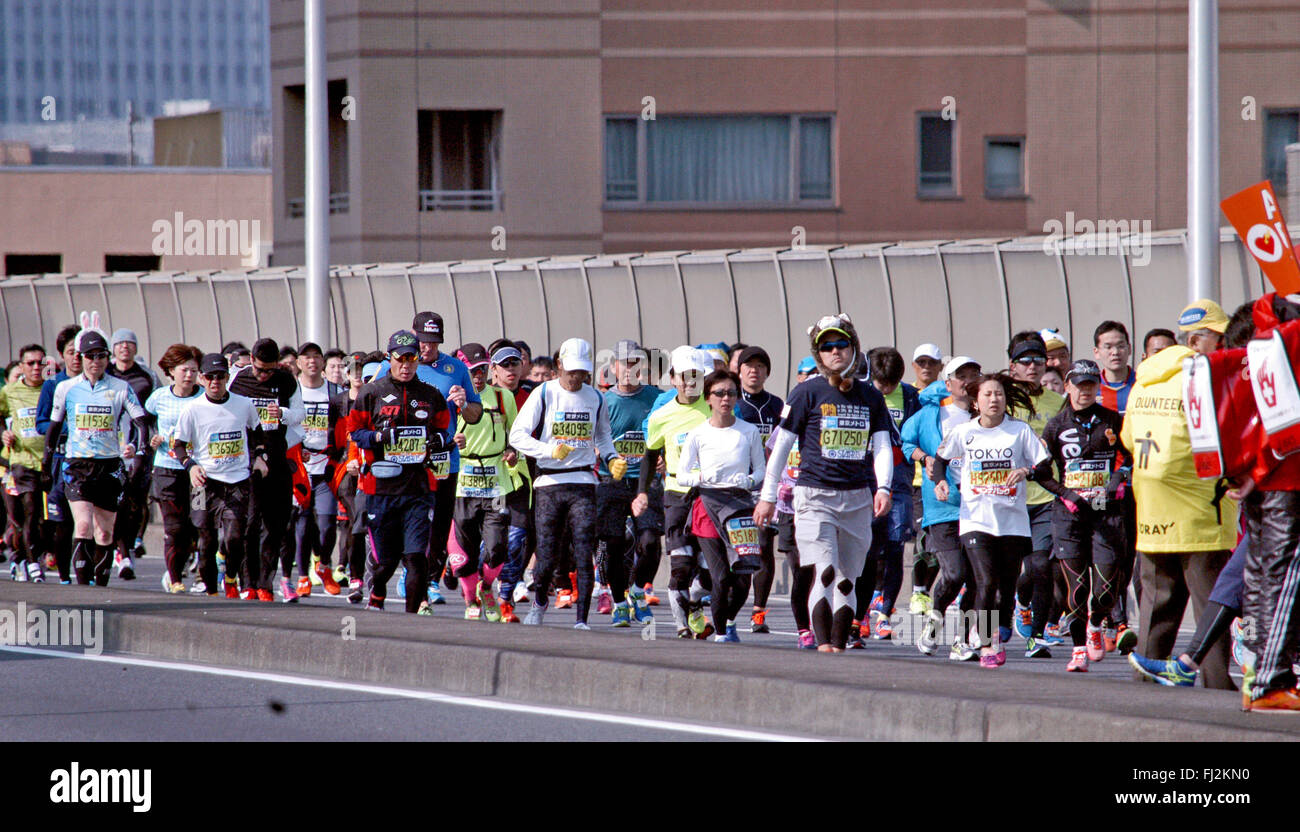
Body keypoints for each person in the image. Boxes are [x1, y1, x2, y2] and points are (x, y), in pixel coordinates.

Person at [755, 313, 894, 652]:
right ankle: (822, 643)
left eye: (841, 345)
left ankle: (838, 641)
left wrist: (884, 487)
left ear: (854, 348)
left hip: (858, 496)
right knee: (825, 568)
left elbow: (882, 446)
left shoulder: (871, 398)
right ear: (818, 354)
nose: (835, 352)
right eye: (826, 347)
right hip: (814, 494)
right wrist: (768, 496)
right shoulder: (806, 392)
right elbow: (781, 446)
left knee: (848, 575)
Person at [1121, 335, 1235, 689]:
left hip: (1152, 506)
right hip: (1198, 508)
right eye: (1221, 337)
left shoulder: (1142, 383)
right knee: (1211, 604)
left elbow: (1127, 438)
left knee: (1157, 603)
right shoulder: (1202, 378)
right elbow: (1220, 438)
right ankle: (1216, 682)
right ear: (1200, 340)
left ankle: (1144, 679)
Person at [933, 373, 1048, 668]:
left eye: (998, 394)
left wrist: (1026, 472)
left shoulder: (1019, 431)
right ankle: (986, 643)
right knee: (986, 581)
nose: (994, 399)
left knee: (1006, 587)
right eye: (987, 395)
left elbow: (1044, 463)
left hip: (1012, 522)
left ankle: (996, 624)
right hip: (976, 520)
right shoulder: (964, 432)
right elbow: (941, 459)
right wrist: (940, 482)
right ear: (976, 402)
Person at [509, 338, 624, 629]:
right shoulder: (544, 393)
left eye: (582, 372)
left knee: (585, 549)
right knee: (547, 554)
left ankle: (581, 618)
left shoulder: (596, 398)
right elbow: (517, 436)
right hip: (549, 482)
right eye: (572, 371)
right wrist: (548, 450)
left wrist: (611, 458)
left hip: (584, 481)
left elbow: (602, 436)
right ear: (559, 366)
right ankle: (539, 603)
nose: (576, 377)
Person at [378, 311, 482, 605]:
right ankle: (409, 573)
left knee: (439, 524)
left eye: (434, 342)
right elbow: (370, 401)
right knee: (407, 520)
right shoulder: (393, 365)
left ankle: (430, 579)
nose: (427, 348)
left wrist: (464, 404)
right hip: (403, 459)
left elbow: (475, 415)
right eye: (423, 341)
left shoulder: (456, 368)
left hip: (443, 457)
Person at [1034, 360, 1131, 670]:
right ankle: (1078, 649)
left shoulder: (1112, 420)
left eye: (1091, 384)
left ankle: (1096, 623)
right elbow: (1040, 472)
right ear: (1068, 387)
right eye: (1079, 384)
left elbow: (1128, 458)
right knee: (1077, 587)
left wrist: (1116, 482)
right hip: (1070, 513)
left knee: (1105, 587)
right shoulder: (1056, 425)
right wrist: (1067, 494)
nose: (1085, 390)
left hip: (1105, 511)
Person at [349, 330, 452, 612]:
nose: (406, 365)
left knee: (416, 557)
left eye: (412, 358)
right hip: (380, 489)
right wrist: (378, 438)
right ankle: (377, 594)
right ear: (390, 358)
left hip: (419, 488)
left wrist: (438, 440)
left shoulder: (430, 394)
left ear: (418, 360)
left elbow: (446, 431)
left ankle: (411, 618)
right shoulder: (372, 393)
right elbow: (355, 432)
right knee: (386, 561)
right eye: (400, 359)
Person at [42, 327, 148, 587]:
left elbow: (142, 423)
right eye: (89, 356)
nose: (95, 362)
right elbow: (53, 428)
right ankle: (82, 589)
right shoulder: (66, 388)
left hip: (109, 466)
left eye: (101, 356)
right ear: (81, 358)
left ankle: (100, 588)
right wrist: (46, 465)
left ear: (107, 358)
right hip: (77, 464)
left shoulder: (121, 388)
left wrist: (139, 453)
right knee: (83, 527)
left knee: (104, 531)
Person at [677, 369, 766, 642]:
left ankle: (728, 620)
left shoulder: (748, 431)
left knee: (743, 576)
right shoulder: (697, 434)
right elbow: (682, 474)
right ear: (708, 399)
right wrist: (700, 477)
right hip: (707, 504)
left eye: (730, 393)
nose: (725, 399)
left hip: (739, 505)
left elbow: (761, 470)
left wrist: (749, 479)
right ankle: (721, 633)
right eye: (719, 393)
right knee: (720, 576)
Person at [902, 356, 981, 657]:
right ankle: (934, 622)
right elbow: (906, 441)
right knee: (956, 572)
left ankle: (966, 640)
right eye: (961, 375)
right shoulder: (931, 414)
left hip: (980, 507)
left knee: (978, 577)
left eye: (974, 373)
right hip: (943, 506)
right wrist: (925, 458)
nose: (969, 380)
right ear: (948, 384)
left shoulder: (986, 415)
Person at [172, 353, 267, 599]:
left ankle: (231, 576)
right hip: (203, 485)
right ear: (201, 379)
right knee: (206, 541)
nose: (215, 382)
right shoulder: (192, 410)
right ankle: (212, 594)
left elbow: (257, 433)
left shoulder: (243, 404)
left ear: (227, 377)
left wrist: (259, 456)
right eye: (210, 377)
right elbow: (179, 445)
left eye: (221, 376)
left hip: (236, 481)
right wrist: (190, 466)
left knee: (235, 537)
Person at [637, 346, 715, 637]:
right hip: (676, 494)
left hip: (710, 495)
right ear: (673, 379)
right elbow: (649, 454)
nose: (689, 382)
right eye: (683, 376)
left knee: (708, 568)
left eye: (695, 376)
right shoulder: (662, 415)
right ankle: (682, 624)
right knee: (681, 565)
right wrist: (642, 492)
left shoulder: (714, 407)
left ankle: (695, 602)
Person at [853, 346, 920, 644]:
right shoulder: (861, 393)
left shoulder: (909, 397)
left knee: (895, 546)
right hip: (865, 478)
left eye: (892, 384)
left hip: (900, 479)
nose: (887, 389)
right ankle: (860, 613)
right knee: (867, 549)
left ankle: (885, 613)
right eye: (882, 384)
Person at [229, 337, 304, 602]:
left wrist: (282, 412)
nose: (263, 376)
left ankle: (265, 583)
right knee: (249, 523)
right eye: (260, 369)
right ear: (251, 360)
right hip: (246, 459)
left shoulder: (286, 381)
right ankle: (246, 581)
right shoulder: (237, 380)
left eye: (269, 370)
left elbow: (300, 415)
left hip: (277, 457)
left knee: (276, 525)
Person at [448, 342, 516, 622]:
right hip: (463, 482)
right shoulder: (450, 398)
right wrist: (453, 442)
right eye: (471, 371)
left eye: (482, 370)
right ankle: (469, 598)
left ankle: (487, 587)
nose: (477, 376)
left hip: (496, 482)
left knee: (498, 545)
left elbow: (516, 433)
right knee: (463, 548)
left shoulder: (502, 398)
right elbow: (437, 435)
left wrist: (513, 451)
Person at [596, 339, 661, 628]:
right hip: (612, 480)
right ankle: (619, 604)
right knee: (614, 544)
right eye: (623, 362)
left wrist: (665, 458)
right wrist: (601, 452)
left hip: (645, 482)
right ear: (613, 367)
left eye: (635, 363)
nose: (629, 368)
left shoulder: (657, 398)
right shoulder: (603, 401)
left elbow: (669, 433)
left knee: (649, 542)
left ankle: (637, 592)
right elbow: (590, 437)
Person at [1006, 334, 1065, 651]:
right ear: (1012, 365)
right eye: (1025, 361)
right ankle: (986, 637)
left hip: (1043, 498)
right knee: (990, 577)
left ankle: (1037, 636)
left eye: (1038, 360)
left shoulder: (1058, 402)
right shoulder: (999, 399)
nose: (1032, 366)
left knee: (1041, 566)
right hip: (1003, 498)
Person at [143, 344, 204, 593]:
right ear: (171, 371)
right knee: (174, 527)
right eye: (184, 370)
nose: (189, 375)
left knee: (197, 525)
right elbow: (143, 422)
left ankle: (193, 570)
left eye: (193, 370)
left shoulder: (204, 397)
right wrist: (153, 436)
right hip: (167, 468)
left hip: (197, 471)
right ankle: (175, 578)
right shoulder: (159, 397)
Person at [732, 345, 783, 634]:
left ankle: (759, 611)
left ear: (767, 372)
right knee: (737, 549)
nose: (754, 370)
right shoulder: (730, 401)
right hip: (736, 486)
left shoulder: (777, 405)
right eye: (748, 366)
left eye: (760, 366)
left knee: (764, 545)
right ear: (739, 371)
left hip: (766, 487)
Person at [106, 328, 159, 580]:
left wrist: (151, 443)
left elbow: (157, 411)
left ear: (136, 349)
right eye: (120, 344)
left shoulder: (147, 376)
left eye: (129, 343)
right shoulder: (105, 374)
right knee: (117, 501)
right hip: (110, 447)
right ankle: (121, 552)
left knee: (136, 502)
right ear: (113, 349)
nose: (124, 347)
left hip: (141, 447)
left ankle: (128, 542)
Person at [291, 341, 343, 597]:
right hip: (299, 469)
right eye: (306, 357)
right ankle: (302, 577)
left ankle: (323, 566)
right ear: (298, 363)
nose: (312, 361)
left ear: (323, 363)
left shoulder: (335, 392)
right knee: (302, 523)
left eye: (316, 357)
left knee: (327, 524)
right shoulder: (292, 392)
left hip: (326, 468)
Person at [36, 324, 83, 583]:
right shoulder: (54, 383)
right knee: (63, 524)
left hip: (92, 462)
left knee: (88, 523)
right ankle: (65, 576)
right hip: (61, 462)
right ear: (62, 355)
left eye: (81, 352)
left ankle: (91, 576)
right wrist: (69, 427)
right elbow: (41, 423)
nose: (77, 357)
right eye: (71, 352)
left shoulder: (101, 385)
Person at [0, 343, 48, 581]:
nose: (36, 367)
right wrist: (3, 433)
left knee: (47, 519)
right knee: (29, 509)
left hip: (49, 461)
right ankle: (31, 563)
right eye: (31, 363)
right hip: (21, 461)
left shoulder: (52, 389)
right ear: (22, 366)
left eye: (41, 362)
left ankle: (35, 555)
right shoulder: (10, 392)